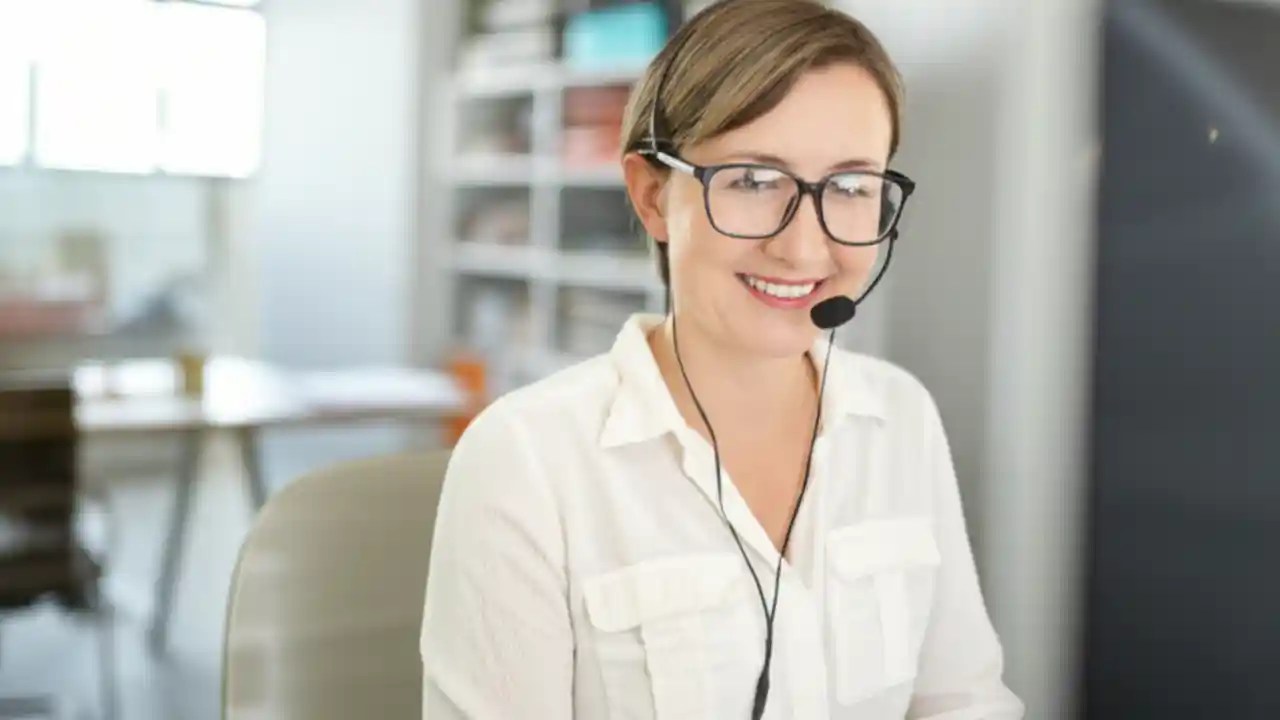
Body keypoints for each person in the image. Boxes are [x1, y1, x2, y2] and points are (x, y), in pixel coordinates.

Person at [420, 1, 1025, 717]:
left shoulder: (899, 417)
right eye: (753, 182)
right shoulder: (528, 459)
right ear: (652, 195)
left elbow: (961, 701)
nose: (804, 249)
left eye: (852, 188)